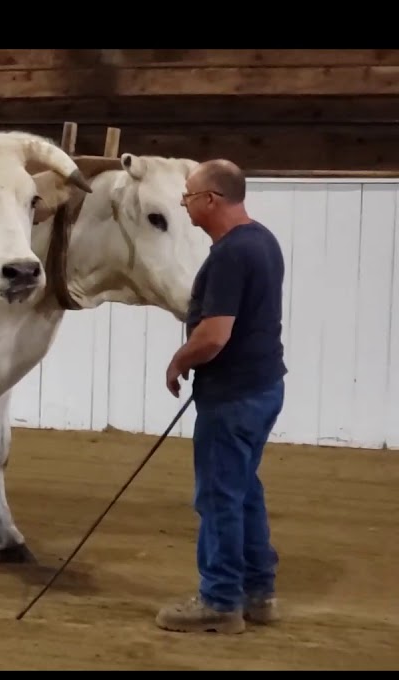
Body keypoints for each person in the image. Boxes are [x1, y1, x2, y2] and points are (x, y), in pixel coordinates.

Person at [158, 158, 287, 635]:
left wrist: (180, 360)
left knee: (218, 498)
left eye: (188, 196)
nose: (185, 204)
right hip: (262, 385)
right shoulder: (262, 240)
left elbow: (214, 335)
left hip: (233, 396)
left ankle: (219, 600)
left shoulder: (232, 253)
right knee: (244, 491)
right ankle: (259, 592)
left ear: (211, 199)